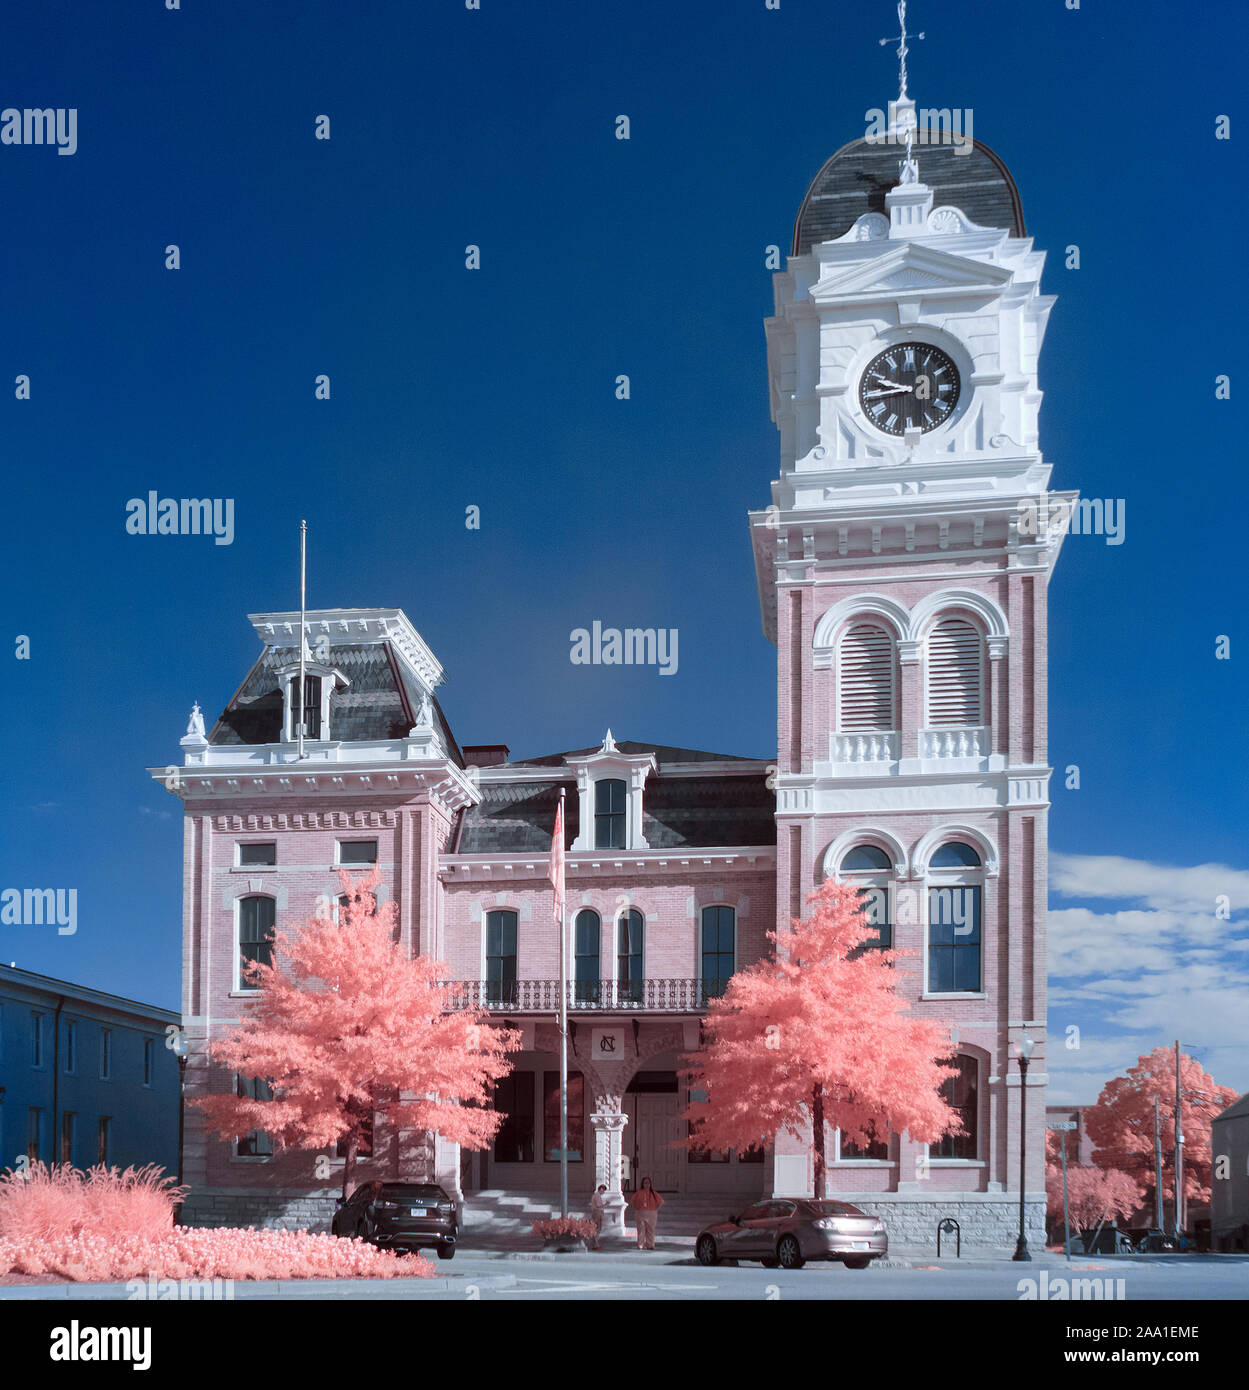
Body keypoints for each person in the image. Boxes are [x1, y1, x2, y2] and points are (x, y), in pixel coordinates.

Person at [628, 1176, 664, 1249]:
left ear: (650, 1184)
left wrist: (655, 1209)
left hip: (651, 1214)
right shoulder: (638, 1192)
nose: (647, 1184)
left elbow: (661, 1202)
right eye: (645, 1183)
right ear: (642, 1184)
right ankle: (640, 1245)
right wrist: (637, 1208)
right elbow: (632, 1201)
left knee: (650, 1230)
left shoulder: (654, 1193)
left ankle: (650, 1245)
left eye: (648, 1183)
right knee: (641, 1230)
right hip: (640, 1213)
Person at [588, 1184, 607, 1249]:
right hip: (597, 1213)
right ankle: (595, 1243)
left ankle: (595, 1243)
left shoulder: (596, 1195)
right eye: (603, 1191)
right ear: (601, 1189)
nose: (603, 1192)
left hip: (596, 1213)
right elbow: (598, 1206)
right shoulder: (597, 1196)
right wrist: (606, 1204)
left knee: (596, 1228)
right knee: (597, 1229)